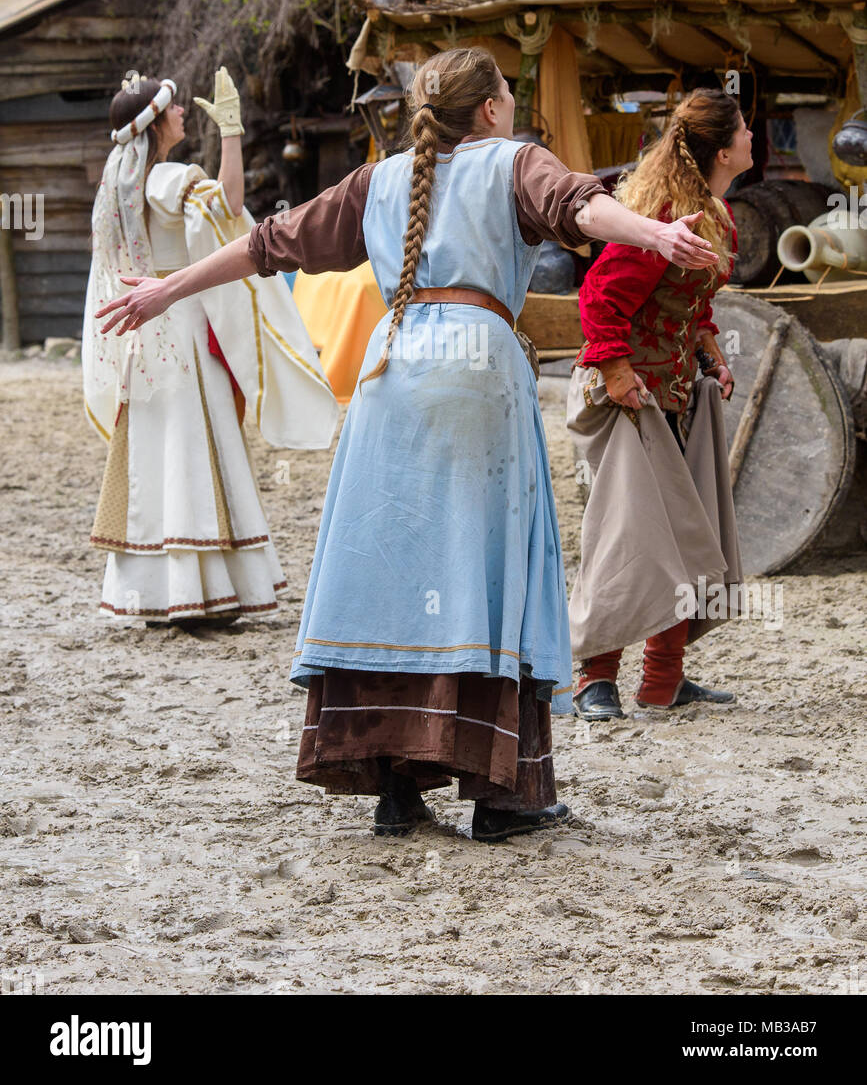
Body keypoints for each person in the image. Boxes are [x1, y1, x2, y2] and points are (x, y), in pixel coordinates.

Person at [96, 47, 717, 840]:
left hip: (390, 375)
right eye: (507, 92)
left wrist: (167, 288)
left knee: (394, 571)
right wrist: (655, 234)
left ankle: (396, 787)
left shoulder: (380, 179)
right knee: (484, 573)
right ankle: (501, 797)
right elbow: (581, 209)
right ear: (488, 108)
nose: (511, 104)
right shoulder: (513, 161)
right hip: (476, 376)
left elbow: (271, 242)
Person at [82, 69, 336, 626]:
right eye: (171, 107)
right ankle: (205, 591)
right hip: (181, 323)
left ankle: (162, 592)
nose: (181, 113)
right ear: (155, 123)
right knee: (197, 439)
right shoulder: (166, 178)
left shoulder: (116, 188)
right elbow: (230, 204)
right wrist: (231, 132)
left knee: (156, 450)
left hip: (144, 336)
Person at [569, 89, 751, 721]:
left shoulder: (714, 215)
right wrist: (618, 373)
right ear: (723, 150)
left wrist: (709, 351)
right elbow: (600, 297)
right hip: (625, 399)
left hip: (669, 394)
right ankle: (594, 679)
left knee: (679, 533)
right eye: (744, 130)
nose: (751, 138)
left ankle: (663, 680)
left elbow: (690, 301)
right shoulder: (663, 214)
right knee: (627, 534)